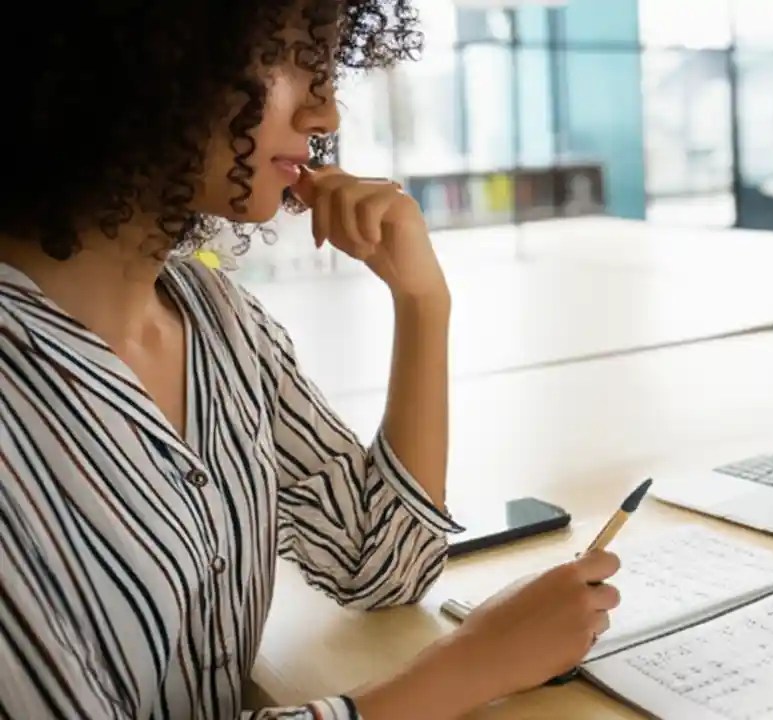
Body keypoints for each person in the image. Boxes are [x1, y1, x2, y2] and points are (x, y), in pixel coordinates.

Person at [0, 2, 620, 719]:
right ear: (139, 63)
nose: (324, 114)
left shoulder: (218, 320)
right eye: (286, 57)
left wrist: (422, 300)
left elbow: (379, 561)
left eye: (324, 63)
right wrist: (468, 666)